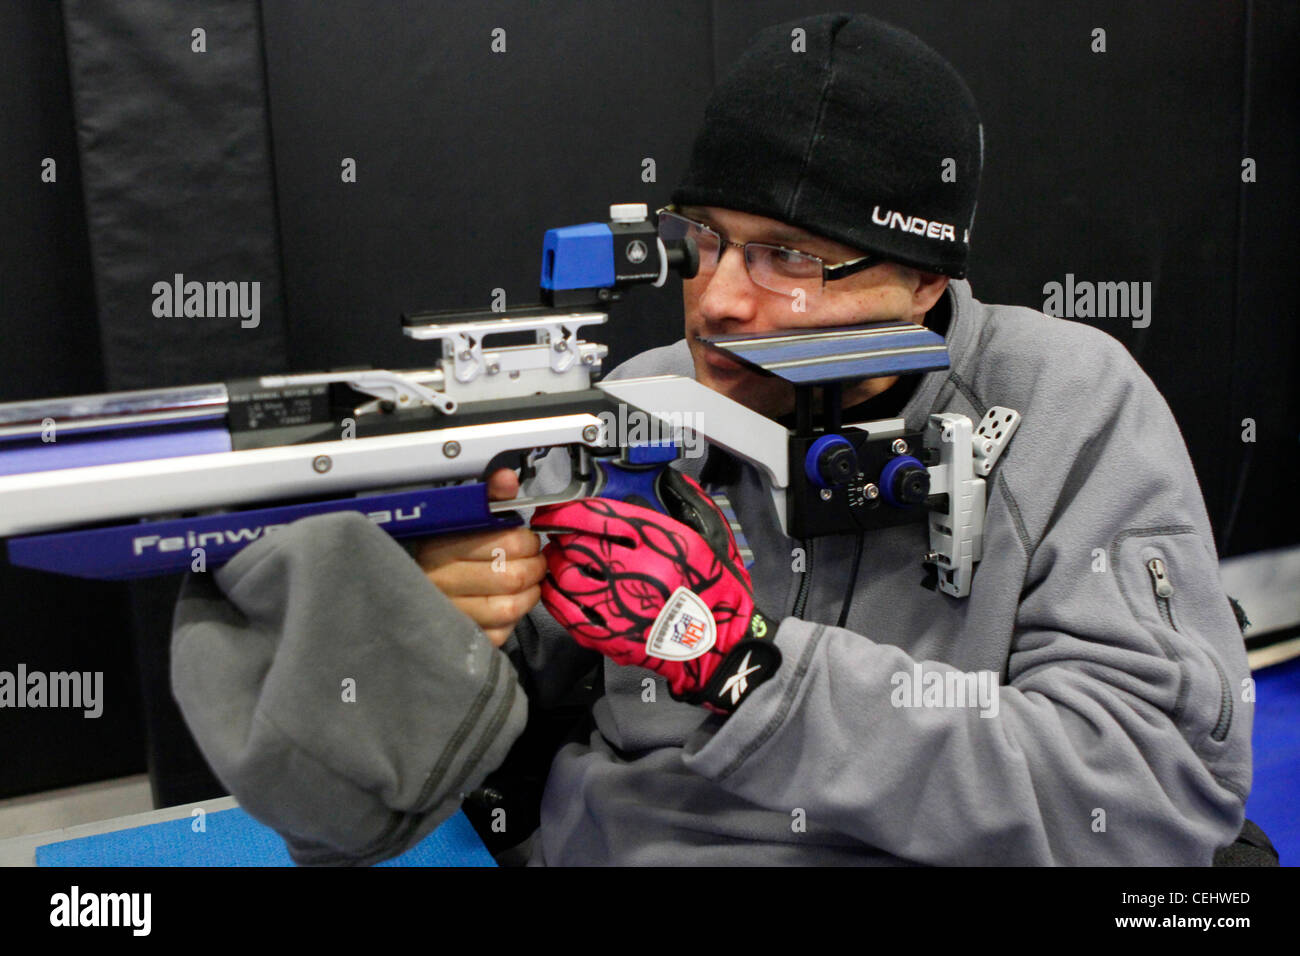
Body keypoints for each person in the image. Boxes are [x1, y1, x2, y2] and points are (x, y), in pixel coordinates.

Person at [172, 12, 1251, 865]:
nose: (719, 302)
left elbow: (1151, 796)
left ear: (924, 278)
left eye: (788, 256)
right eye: (706, 243)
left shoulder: (1063, 401)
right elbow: (375, 803)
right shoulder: (644, 402)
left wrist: (744, 667)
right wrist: (435, 619)